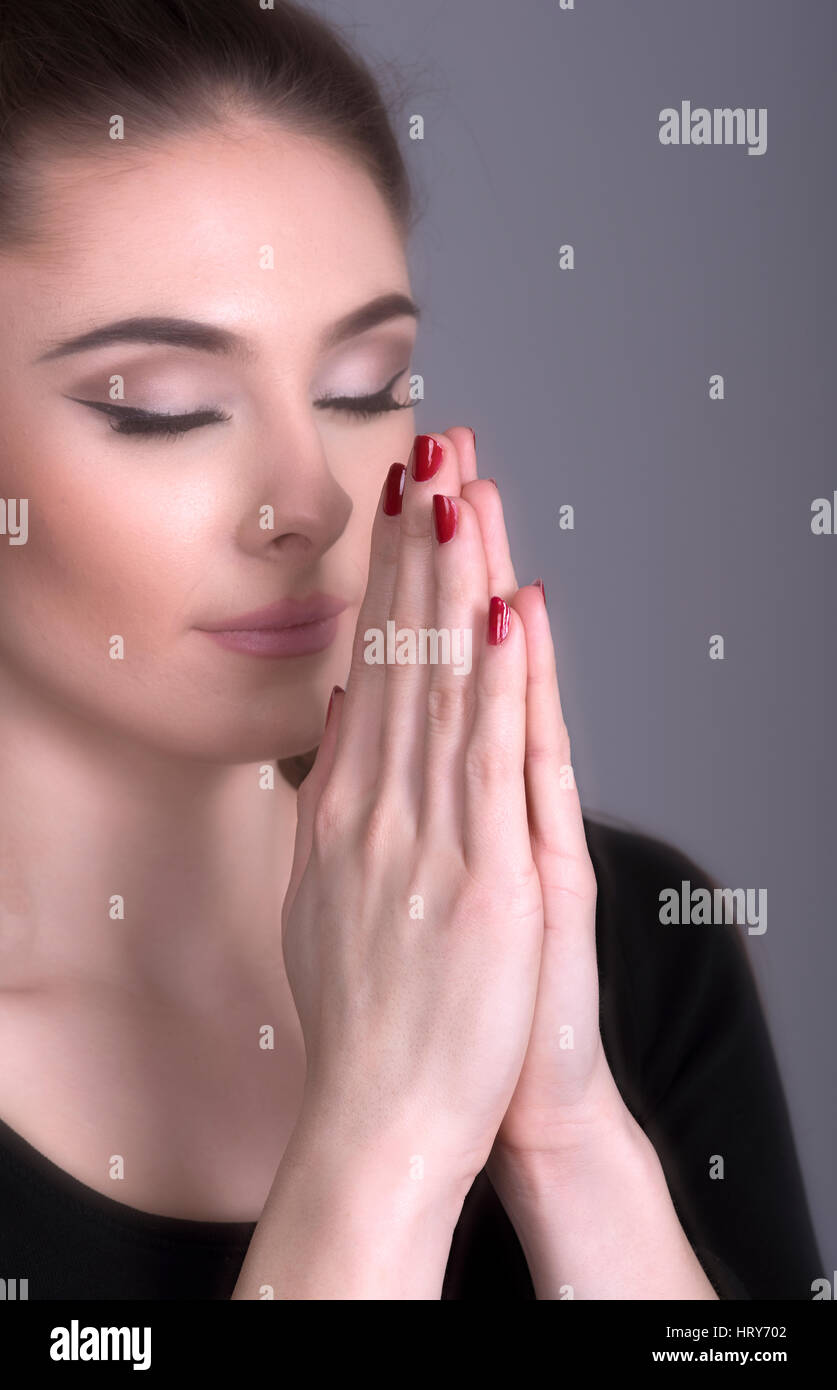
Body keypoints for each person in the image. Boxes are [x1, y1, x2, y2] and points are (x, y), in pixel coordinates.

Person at [0, 0, 822, 1301]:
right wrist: (384, 1144)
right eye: (162, 410)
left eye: (363, 387)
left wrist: (565, 1141)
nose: (310, 498)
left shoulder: (628, 940)